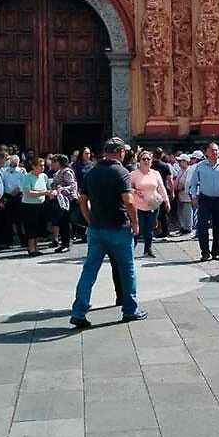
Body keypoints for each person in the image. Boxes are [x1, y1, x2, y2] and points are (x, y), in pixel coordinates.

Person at [70, 137, 147, 328]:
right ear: (120, 152)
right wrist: (136, 224)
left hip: (96, 229)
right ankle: (130, 310)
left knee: (89, 270)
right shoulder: (121, 172)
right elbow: (129, 201)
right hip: (118, 228)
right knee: (127, 270)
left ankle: (79, 311)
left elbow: (82, 200)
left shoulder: (91, 172)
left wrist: (89, 220)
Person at [188, 143, 219, 262]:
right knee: (202, 226)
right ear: (207, 152)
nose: (215, 153)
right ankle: (205, 252)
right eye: (212, 150)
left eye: (217, 151)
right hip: (205, 200)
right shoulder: (200, 166)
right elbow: (193, 183)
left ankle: (216, 252)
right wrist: (194, 197)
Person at [131, 150, 170, 258]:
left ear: (151, 161)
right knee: (139, 229)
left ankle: (148, 249)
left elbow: (161, 188)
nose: (146, 161)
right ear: (139, 161)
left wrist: (166, 201)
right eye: (144, 159)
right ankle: (130, 249)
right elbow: (128, 188)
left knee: (150, 228)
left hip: (153, 204)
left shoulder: (155, 173)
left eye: (148, 159)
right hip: (139, 206)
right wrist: (135, 191)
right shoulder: (133, 174)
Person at [21, 157, 53, 257]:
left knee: (39, 227)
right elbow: (28, 192)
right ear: (34, 166)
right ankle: (31, 249)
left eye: (43, 165)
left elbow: (47, 188)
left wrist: (51, 193)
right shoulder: (28, 177)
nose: (43, 167)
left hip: (41, 205)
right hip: (29, 206)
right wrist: (44, 193)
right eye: (40, 166)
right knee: (31, 227)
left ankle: (36, 247)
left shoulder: (44, 176)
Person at [48, 155, 78, 253]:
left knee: (65, 222)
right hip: (61, 201)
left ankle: (66, 243)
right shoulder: (57, 173)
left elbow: (73, 185)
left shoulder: (67, 171)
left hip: (68, 200)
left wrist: (62, 189)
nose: (51, 164)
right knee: (61, 222)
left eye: (53, 162)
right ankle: (63, 243)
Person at [175, 153, 195, 236]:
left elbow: (188, 182)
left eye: (181, 161)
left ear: (185, 161)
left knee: (187, 211)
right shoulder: (180, 170)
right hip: (179, 194)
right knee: (180, 212)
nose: (179, 163)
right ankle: (183, 227)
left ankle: (188, 227)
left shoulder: (190, 170)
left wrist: (180, 187)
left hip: (186, 195)